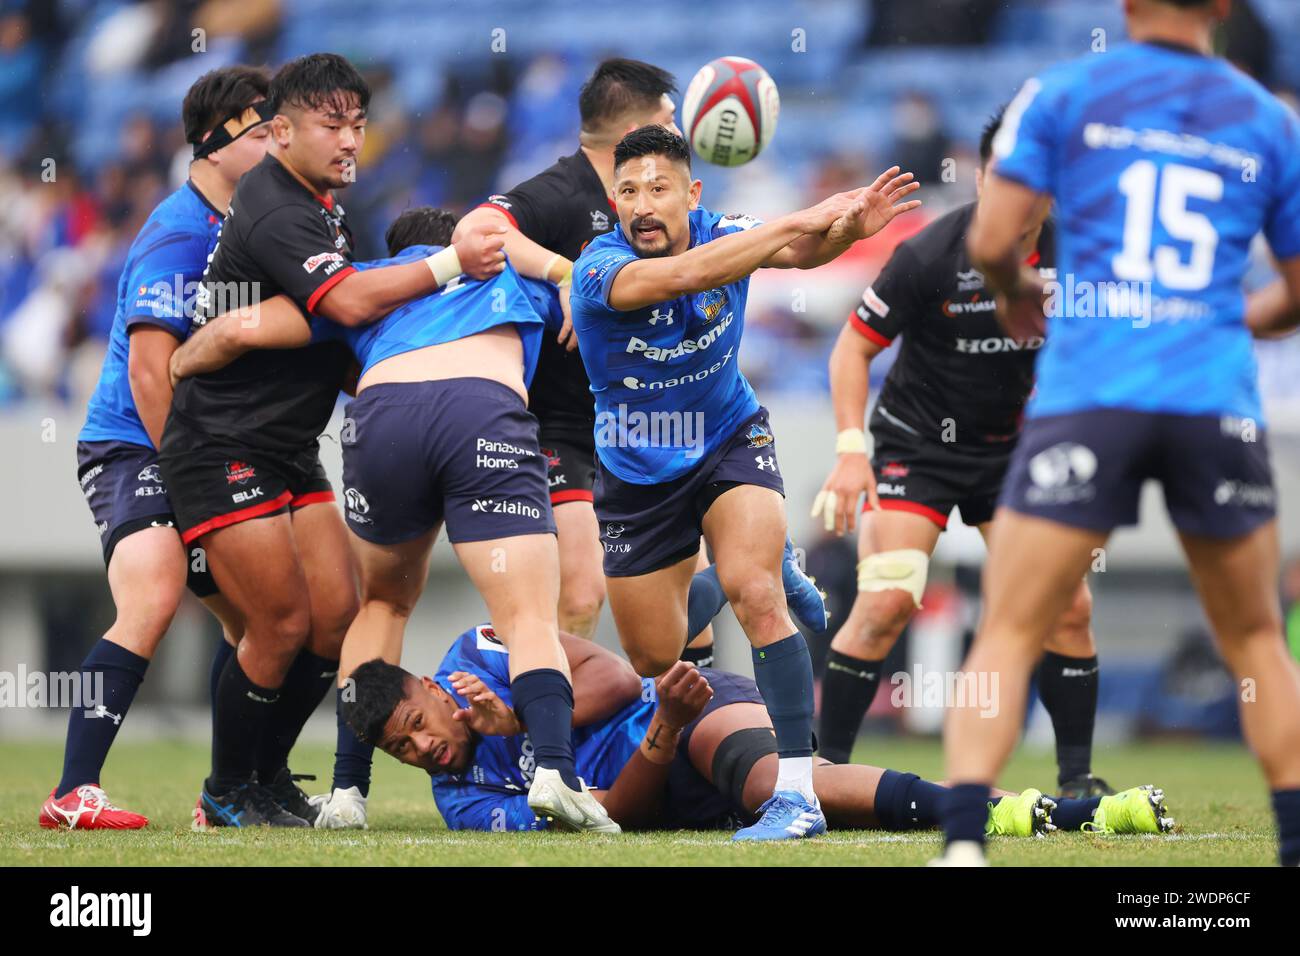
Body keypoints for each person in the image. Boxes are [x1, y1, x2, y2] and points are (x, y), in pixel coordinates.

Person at [936, 0, 1300, 866]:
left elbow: (990, 236)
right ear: (1221, 7)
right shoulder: (1268, 119)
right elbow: (1295, 294)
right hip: (1211, 398)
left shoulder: (1063, 90)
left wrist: (1013, 290)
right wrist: (1220, 319)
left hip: (1090, 394)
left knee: (1011, 629)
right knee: (1255, 638)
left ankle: (958, 850)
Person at [171, 205, 618, 832]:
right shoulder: (507, 268)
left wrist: (180, 362)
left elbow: (241, 329)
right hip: (480, 409)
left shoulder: (366, 284)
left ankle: (348, 792)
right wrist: (575, 281)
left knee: (383, 605)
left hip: (382, 417)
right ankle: (553, 773)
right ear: (459, 243)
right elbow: (615, 302)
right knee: (525, 616)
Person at [160, 53, 506, 828]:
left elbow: (326, 332)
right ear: (280, 131)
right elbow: (347, 302)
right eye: (332, 124)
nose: (352, 139)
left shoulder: (320, 208)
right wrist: (450, 262)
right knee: (279, 623)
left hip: (285, 447)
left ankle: (267, 778)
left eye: (359, 123)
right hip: (221, 444)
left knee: (336, 623)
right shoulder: (279, 205)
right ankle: (225, 792)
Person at [568, 124, 922, 840]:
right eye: (628, 190)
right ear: (613, 201)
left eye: (659, 188)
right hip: (638, 475)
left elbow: (798, 251)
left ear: (691, 194)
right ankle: (756, 566)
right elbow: (684, 278)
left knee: (755, 594)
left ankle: (796, 793)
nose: (643, 203)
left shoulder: (725, 228)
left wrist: (846, 231)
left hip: (729, 433)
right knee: (656, 657)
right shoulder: (598, 270)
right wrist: (803, 214)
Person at [810, 109, 1109, 798]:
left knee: (1069, 605)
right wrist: (852, 449)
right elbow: (852, 348)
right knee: (888, 598)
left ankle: (1076, 781)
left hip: (1015, 449)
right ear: (980, 179)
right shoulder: (930, 253)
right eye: (1005, 176)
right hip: (918, 445)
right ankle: (824, 777)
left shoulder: (1081, 255)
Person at [341, 622, 1172, 839]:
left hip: (689, 710)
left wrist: (524, 712)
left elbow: (612, 677)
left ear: (428, 685)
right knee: (770, 792)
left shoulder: (480, 650)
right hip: (659, 770)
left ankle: (1053, 813)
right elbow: (617, 816)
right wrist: (657, 736)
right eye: (400, 752)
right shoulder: (464, 798)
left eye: (416, 724)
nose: (423, 749)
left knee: (773, 781)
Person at [40, 66, 271, 831]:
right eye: (260, 132)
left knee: (259, 621)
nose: (275, 144)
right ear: (211, 144)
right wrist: (191, 469)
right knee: (153, 589)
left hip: (197, 445)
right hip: (136, 442)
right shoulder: (179, 231)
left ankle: (227, 795)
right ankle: (73, 790)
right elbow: (148, 368)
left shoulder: (253, 226)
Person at [453, 58, 682, 645]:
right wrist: (567, 272)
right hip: (561, 428)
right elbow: (478, 227)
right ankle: (532, 727)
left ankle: (676, 731)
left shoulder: (661, 202)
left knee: (683, 594)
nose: (680, 133)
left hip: (642, 424)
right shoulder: (561, 191)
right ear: (638, 134)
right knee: (579, 593)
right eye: (670, 119)